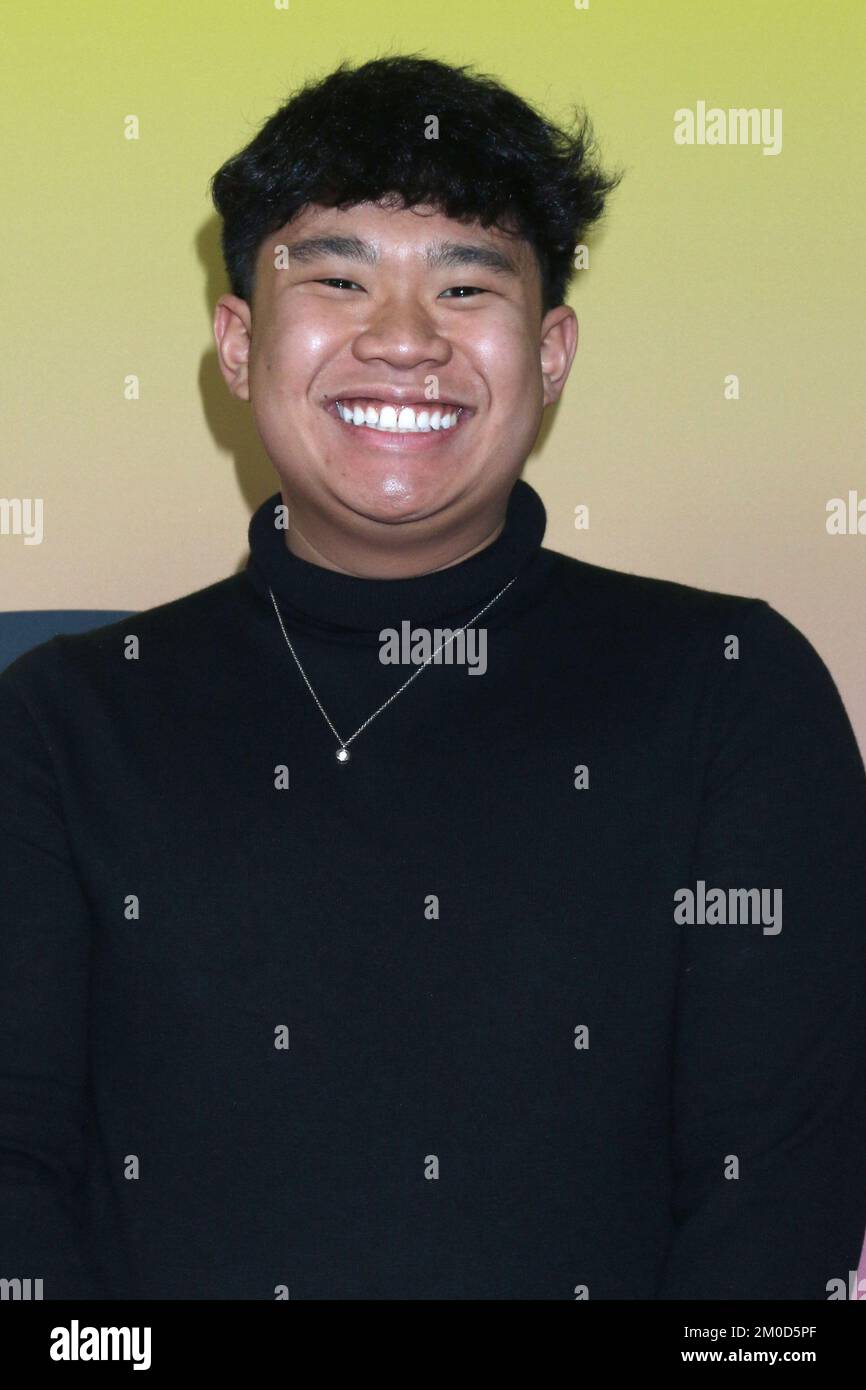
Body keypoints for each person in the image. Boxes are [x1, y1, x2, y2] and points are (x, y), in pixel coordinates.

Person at [1, 54, 865, 1302]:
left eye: (467, 284)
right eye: (338, 277)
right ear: (236, 344)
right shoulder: (63, 720)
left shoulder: (731, 690)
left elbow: (771, 1201)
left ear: (550, 350)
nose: (402, 340)